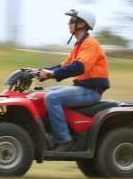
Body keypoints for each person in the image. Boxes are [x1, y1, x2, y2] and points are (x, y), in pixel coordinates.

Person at [36, 9, 110, 151]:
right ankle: (49, 133)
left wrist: (52, 74)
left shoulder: (91, 44)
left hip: (91, 91)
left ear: (82, 24)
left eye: (72, 21)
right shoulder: (79, 45)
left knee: (52, 98)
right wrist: (40, 71)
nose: (68, 24)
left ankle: (64, 140)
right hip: (82, 89)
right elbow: (64, 66)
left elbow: (79, 67)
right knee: (43, 93)